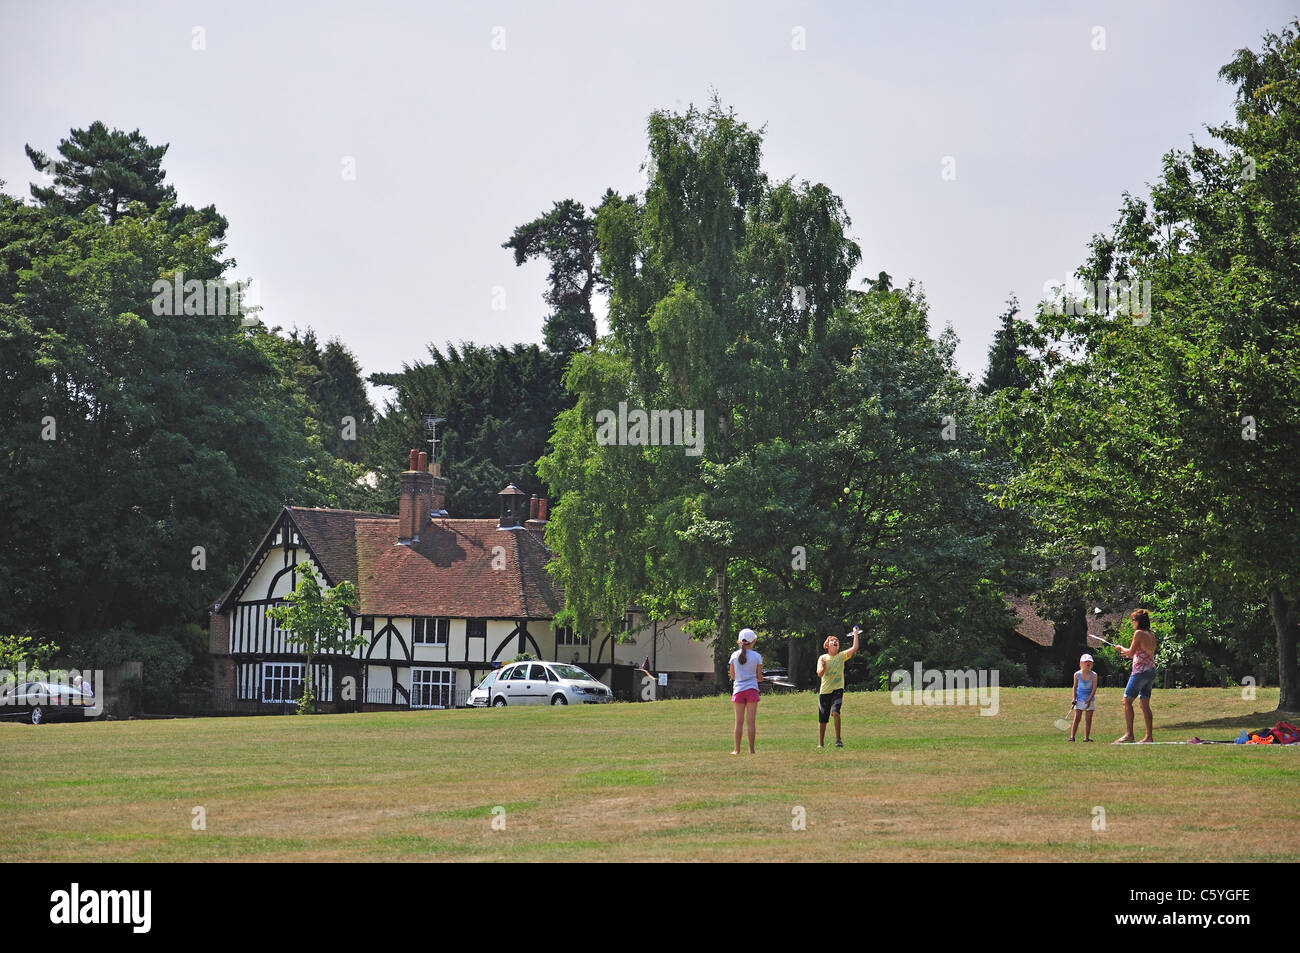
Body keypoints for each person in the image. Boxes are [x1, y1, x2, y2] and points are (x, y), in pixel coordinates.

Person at [1114, 609, 1157, 743]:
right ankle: (1149, 737)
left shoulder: (1138, 633)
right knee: (1144, 704)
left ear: (1138, 622)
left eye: (1133, 620)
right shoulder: (1151, 634)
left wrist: (1121, 648)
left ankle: (1129, 734)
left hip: (1140, 672)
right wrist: (1126, 652)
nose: (1133, 623)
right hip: (1150, 670)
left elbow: (1131, 652)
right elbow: (1139, 652)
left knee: (1126, 701)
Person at [816, 625, 860, 748]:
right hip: (825, 691)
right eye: (832, 641)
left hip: (838, 689)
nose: (835, 642)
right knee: (823, 719)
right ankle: (821, 743)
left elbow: (855, 647)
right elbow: (819, 674)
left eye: (837, 641)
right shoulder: (822, 658)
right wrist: (824, 667)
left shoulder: (841, 656)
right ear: (827, 645)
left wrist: (855, 634)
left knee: (835, 712)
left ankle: (838, 739)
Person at [728, 628, 763, 754]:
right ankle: (751, 750)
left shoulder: (733, 656)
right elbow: (759, 677)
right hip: (752, 689)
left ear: (740, 641)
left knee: (738, 722)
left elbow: (732, 676)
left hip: (738, 690)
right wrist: (758, 677)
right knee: (751, 721)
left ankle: (737, 750)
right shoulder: (757, 656)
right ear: (753, 641)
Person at [1068, 653, 1097, 742]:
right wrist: (1074, 698)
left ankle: (1086, 738)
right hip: (1079, 699)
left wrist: (1089, 700)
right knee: (1077, 718)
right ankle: (1072, 737)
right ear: (1081, 663)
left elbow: (1094, 688)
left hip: (1090, 699)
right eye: (1085, 662)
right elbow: (1075, 687)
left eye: (1089, 662)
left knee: (1088, 720)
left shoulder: (1094, 675)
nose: (1087, 664)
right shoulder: (1077, 674)